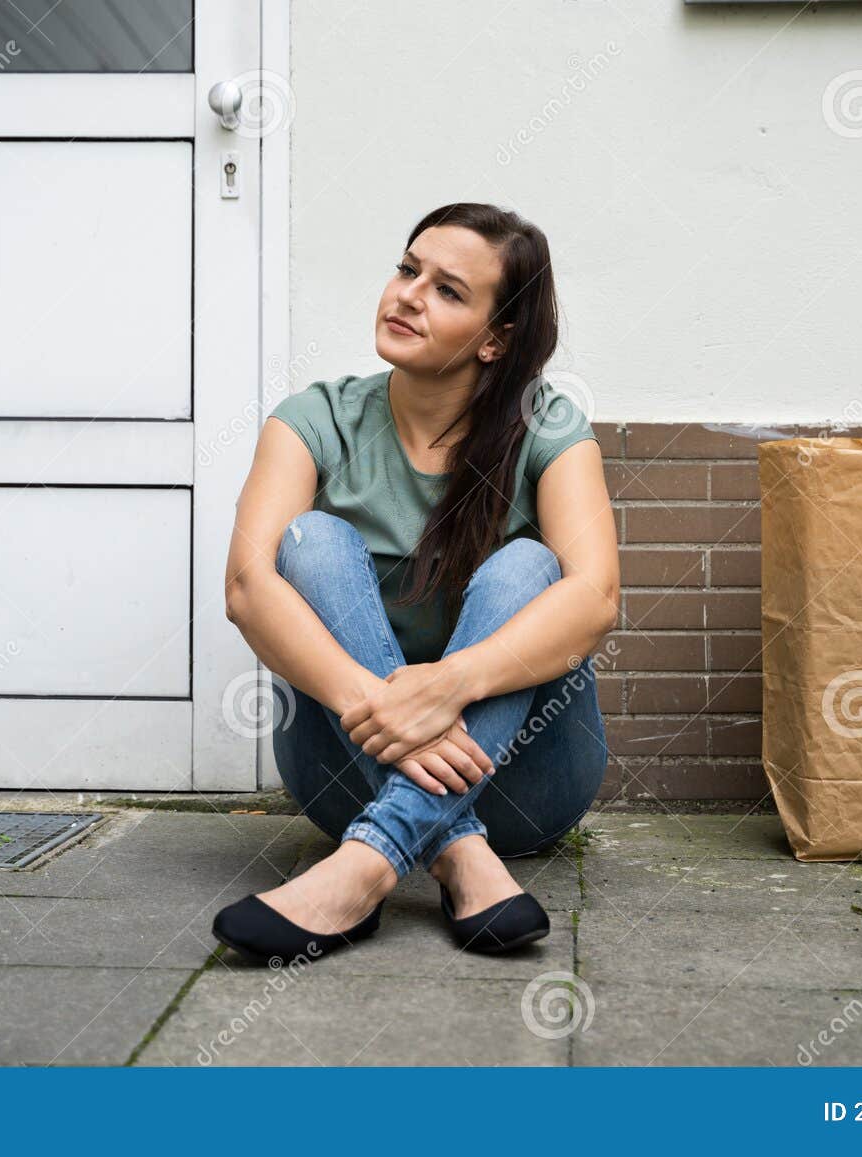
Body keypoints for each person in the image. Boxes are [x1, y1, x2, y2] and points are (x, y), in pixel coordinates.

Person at [216, 202, 618, 963]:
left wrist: (451, 683)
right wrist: (376, 705)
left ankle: (364, 867)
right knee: (309, 542)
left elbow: (597, 598)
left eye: (447, 290)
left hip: (528, 784)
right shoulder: (316, 419)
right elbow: (245, 586)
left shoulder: (548, 425)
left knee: (531, 566)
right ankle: (456, 852)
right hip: (346, 771)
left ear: (497, 339)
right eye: (408, 269)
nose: (406, 294)